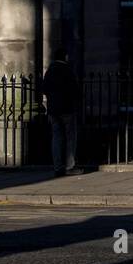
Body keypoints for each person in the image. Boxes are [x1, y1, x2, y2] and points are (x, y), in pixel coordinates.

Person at [40, 47, 81, 176]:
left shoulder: (50, 71)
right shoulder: (68, 70)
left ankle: (57, 167)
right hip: (67, 109)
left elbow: (44, 88)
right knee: (70, 137)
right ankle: (70, 166)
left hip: (53, 109)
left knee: (56, 137)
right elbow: (75, 90)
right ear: (65, 57)